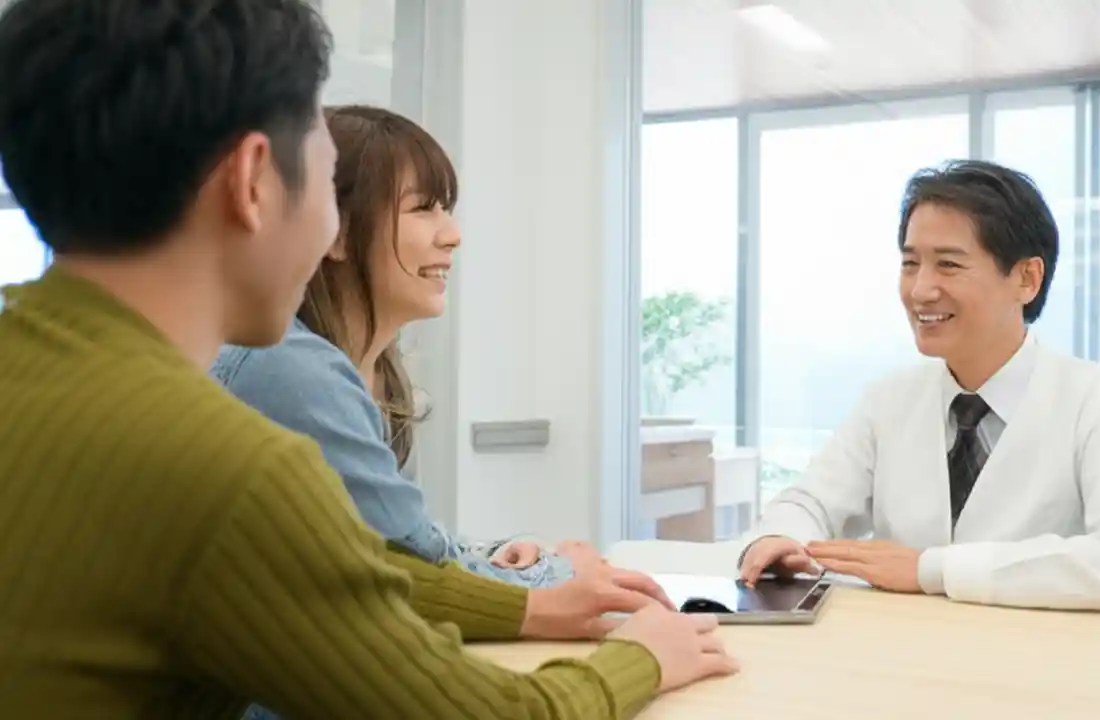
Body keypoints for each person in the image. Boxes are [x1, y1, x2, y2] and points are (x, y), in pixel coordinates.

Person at [0, 1, 736, 717]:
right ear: (253, 181)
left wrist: (530, 606)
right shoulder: (226, 468)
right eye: (324, 179)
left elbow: (327, 577)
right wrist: (643, 655)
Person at [739, 160, 1100, 614]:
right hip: (904, 659)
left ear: (1026, 278)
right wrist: (778, 539)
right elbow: (811, 501)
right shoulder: (888, 401)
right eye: (910, 263)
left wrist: (931, 569)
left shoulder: (1098, 402)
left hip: (1044, 662)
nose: (921, 289)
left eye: (948, 264)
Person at [213, 105, 593, 589]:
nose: (452, 235)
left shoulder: (372, 373)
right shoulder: (290, 371)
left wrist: (497, 555)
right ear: (334, 230)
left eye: (446, 210)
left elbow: (410, 544)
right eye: (422, 209)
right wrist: (561, 574)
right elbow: (414, 570)